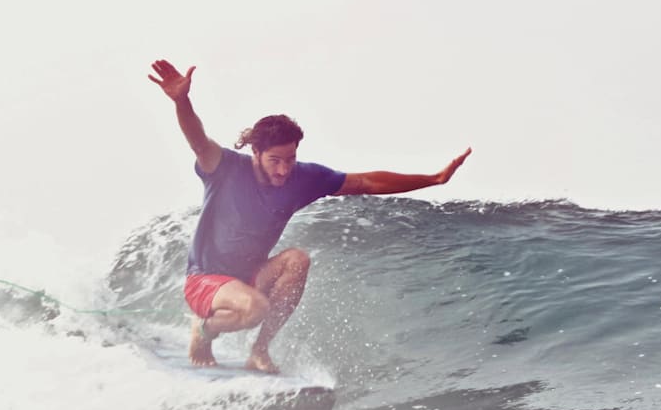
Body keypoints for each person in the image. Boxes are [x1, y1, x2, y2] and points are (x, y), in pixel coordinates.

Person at [149, 59, 471, 373]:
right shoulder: (226, 169)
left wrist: (432, 179)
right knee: (256, 308)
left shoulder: (302, 179)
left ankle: (259, 351)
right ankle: (203, 330)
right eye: (275, 160)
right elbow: (199, 142)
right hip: (206, 278)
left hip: (249, 275)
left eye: (291, 159)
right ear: (255, 153)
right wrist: (182, 101)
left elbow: (366, 181)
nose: (284, 169)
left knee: (297, 260)